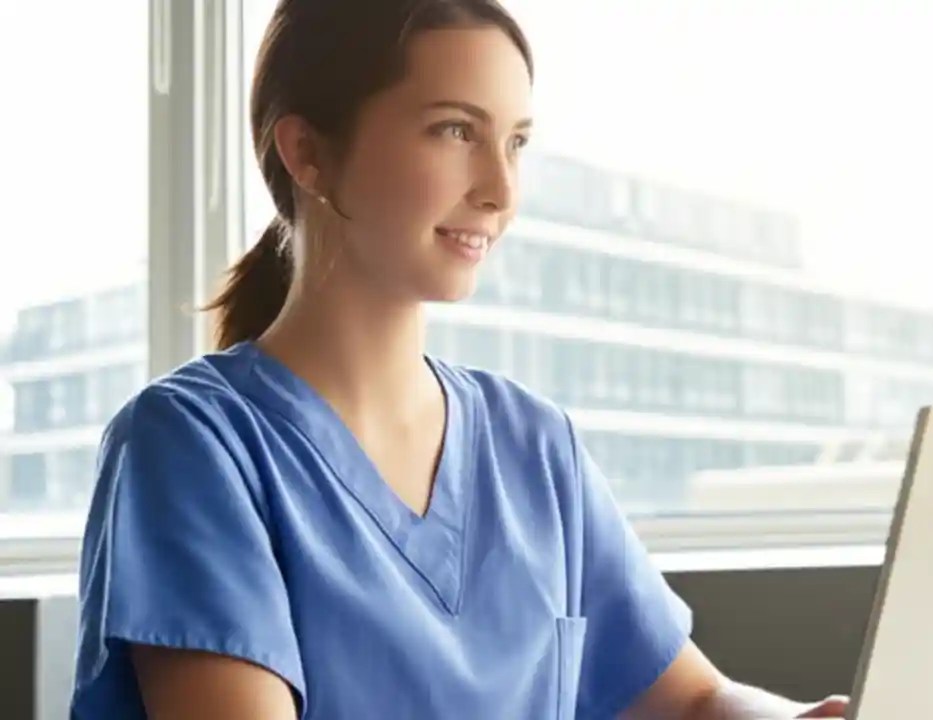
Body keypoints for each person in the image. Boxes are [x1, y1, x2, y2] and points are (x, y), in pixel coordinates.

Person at [70, 1, 851, 717]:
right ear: (307, 152)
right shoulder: (190, 445)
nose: (500, 188)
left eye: (515, 141)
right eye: (454, 131)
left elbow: (691, 701)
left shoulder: (536, 445)